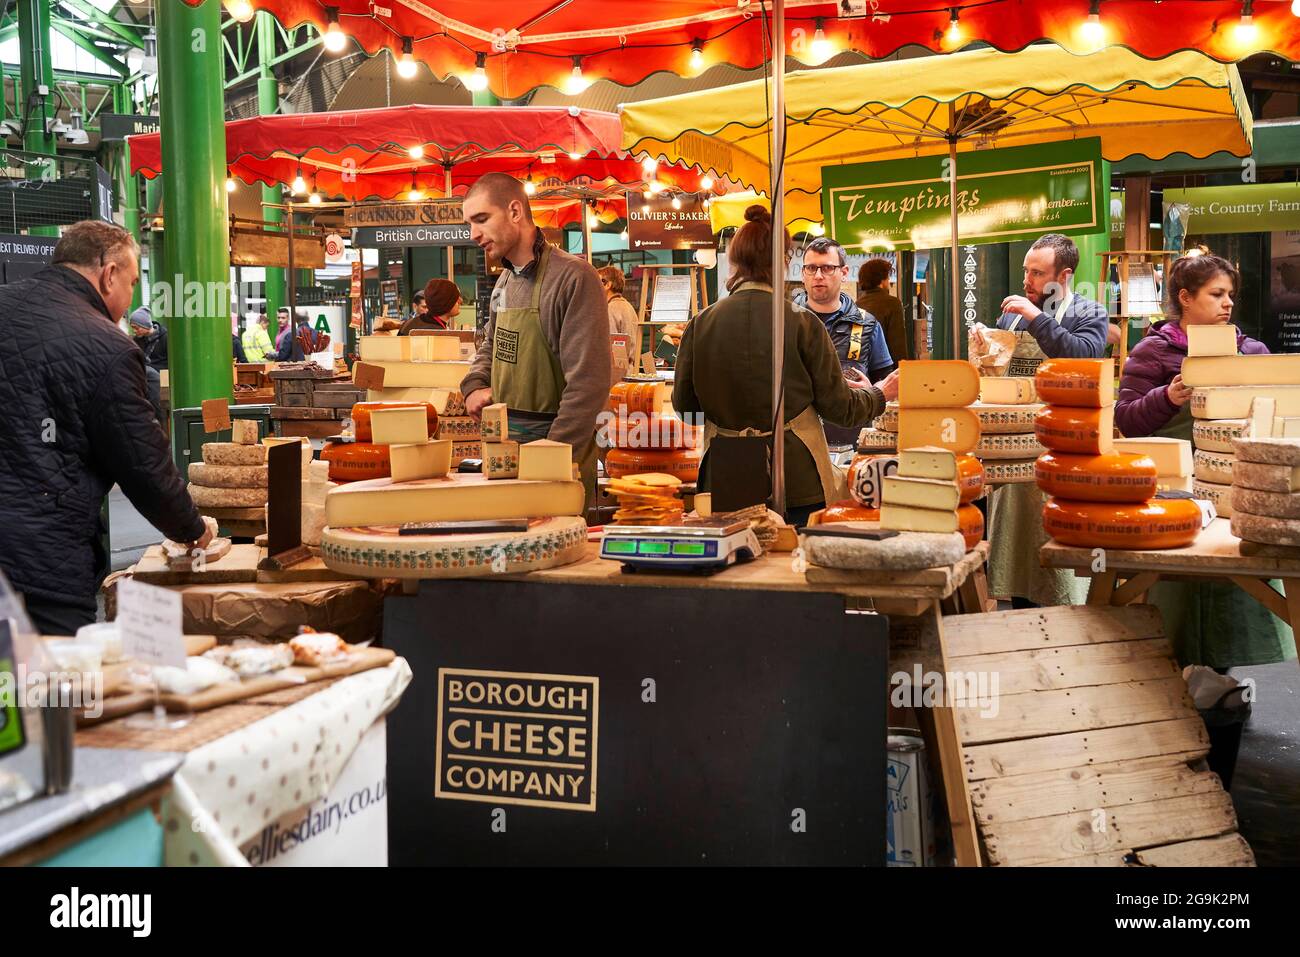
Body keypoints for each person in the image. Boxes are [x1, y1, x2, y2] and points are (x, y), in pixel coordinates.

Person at [0, 221, 211, 635]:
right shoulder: (107, 347)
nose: (130, 297)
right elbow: (142, 462)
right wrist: (191, 528)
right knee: (45, 691)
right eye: (132, 282)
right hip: (42, 570)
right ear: (108, 274)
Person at [1117, 253, 1294, 669]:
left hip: (1238, 490)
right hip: (1176, 494)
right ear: (1185, 298)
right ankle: (1174, 680)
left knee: (1237, 589)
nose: (1227, 303)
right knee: (1174, 593)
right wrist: (1167, 397)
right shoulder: (1153, 352)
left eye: (1230, 294)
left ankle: (1224, 687)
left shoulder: (1252, 351)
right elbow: (1126, 419)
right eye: (1216, 294)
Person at [674, 207, 899, 527]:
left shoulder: (700, 324)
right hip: (797, 475)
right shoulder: (802, 322)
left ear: (734, 263)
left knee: (737, 570)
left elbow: (685, 409)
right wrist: (880, 393)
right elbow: (839, 407)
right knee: (793, 567)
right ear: (783, 261)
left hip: (726, 472)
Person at [460, 172, 610, 504]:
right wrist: (473, 384)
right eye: (470, 223)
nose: (473, 234)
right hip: (506, 461)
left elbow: (589, 385)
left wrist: (549, 458)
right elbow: (491, 343)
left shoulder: (573, 278)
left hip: (557, 464)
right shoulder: (504, 283)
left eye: (481, 219)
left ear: (515, 212)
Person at [979, 233, 1110, 609]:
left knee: (1059, 549)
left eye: (1037, 273)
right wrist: (985, 343)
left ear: (1064, 275)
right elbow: (994, 371)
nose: (1027, 280)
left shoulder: (1089, 313)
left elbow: (1082, 356)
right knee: (1016, 548)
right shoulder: (1010, 313)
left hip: (1065, 448)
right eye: (1026, 270)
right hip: (1015, 446)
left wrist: (1036, 318)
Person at [791, 237, 895, 446]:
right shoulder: (784, 323)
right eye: (811, 268)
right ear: (803, 274)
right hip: (798, 445)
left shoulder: (867, 324)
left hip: (854, 442)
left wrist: (874, 390)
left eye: (827, 268)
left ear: (844, 273)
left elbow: (887, 384)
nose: (818, 275)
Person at [856, 258, 907, 369]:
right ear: (882, 280)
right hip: (884, 370)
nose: (889, 281)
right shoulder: (892, 303)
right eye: (888, 277)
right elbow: (897, 344)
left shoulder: (856, 305)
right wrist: (901, 371)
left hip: (862, 369)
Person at [597, 266, 638, 372]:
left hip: (617, 373)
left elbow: (610, 347)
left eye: (597, 282)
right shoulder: (628, 306)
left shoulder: (610, 309)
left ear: (608, 285)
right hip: (629, 370)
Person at [128, 305, 167, 371]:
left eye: (136, 328)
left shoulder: (165, 338)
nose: (134, 331)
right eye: (132, 328)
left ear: (145, 326)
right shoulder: (137, 340)